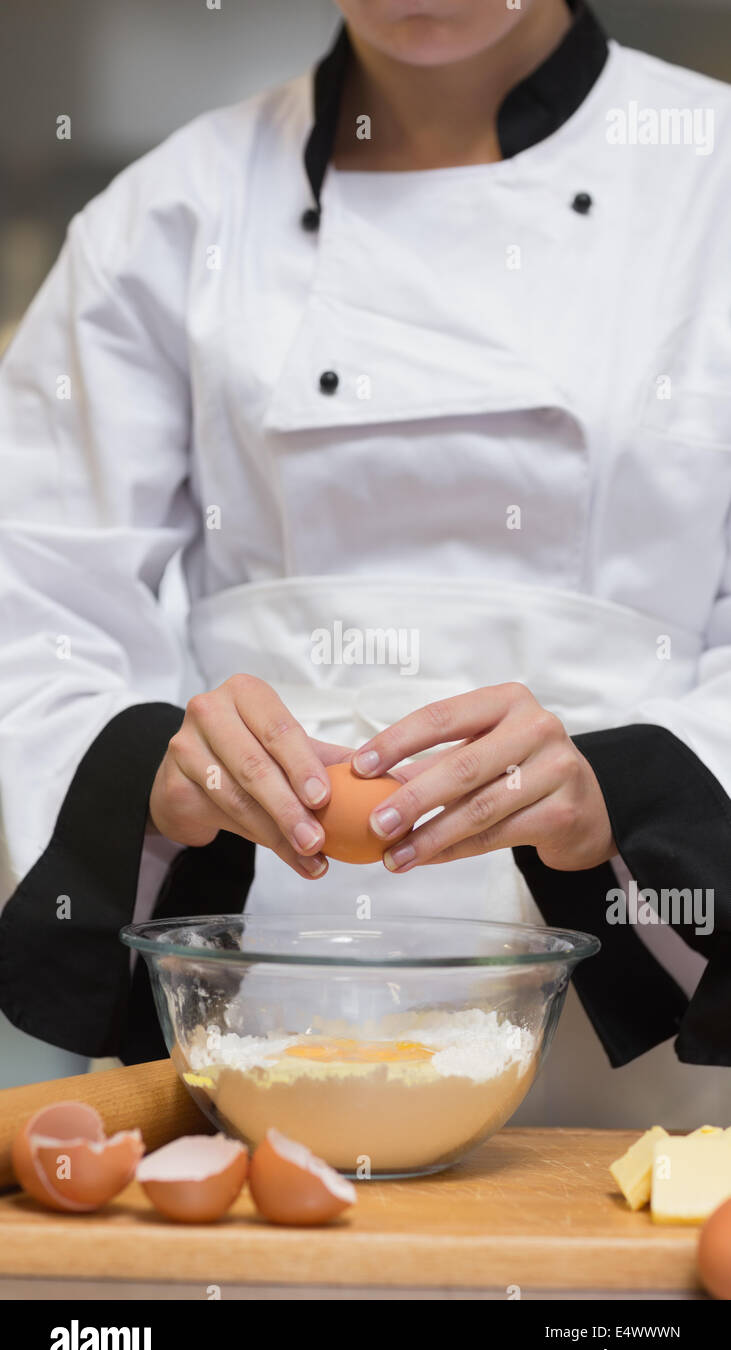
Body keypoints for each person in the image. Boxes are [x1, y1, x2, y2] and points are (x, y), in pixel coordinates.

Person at [1, 0, 730, 1124]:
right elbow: (29, 594)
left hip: (648, 1058)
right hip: (256, 1033)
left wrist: (624, 807)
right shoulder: (167, 218)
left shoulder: (709, 185)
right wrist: (156, 776)